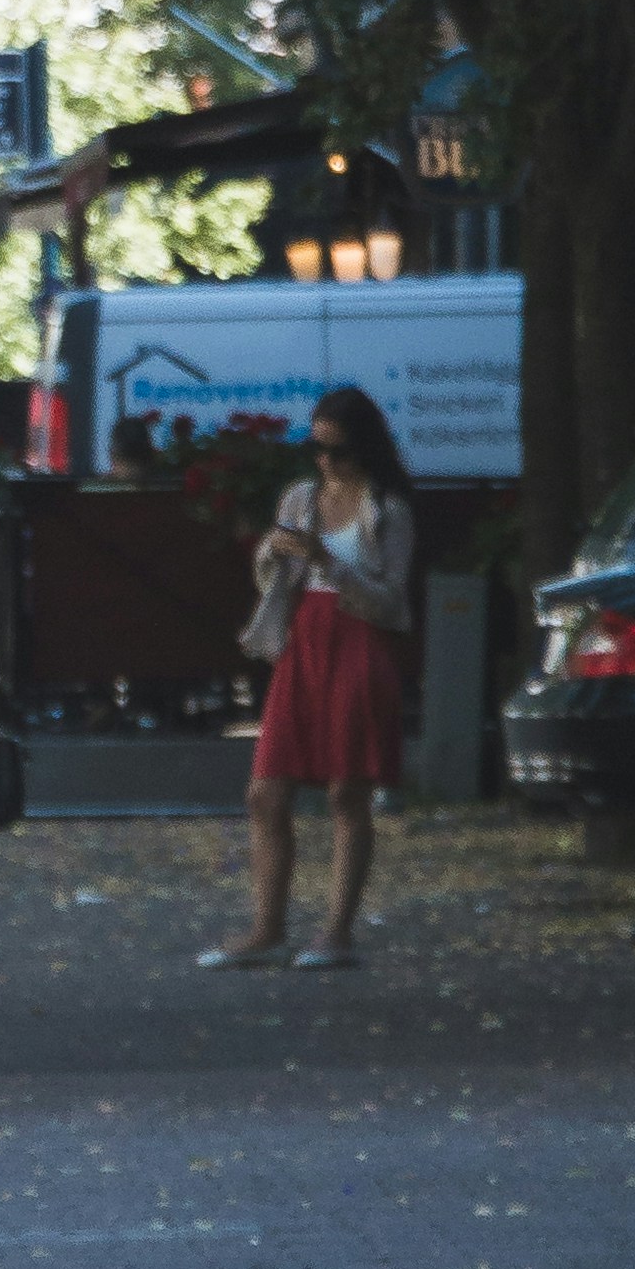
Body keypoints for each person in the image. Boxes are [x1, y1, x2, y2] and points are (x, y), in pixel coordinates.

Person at [203, 383, 415, 974]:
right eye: (316, 449)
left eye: (338, 451)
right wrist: (274, 551)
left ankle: (336, 931)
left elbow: (393, 603)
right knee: (266, 790)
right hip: (303, 644)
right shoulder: (300, 499)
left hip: (357, 641)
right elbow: (270, 579)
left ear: (365, 450)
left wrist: (330, 564)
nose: (325, 463)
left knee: (348, 791)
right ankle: (266, 926)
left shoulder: (387, 511)